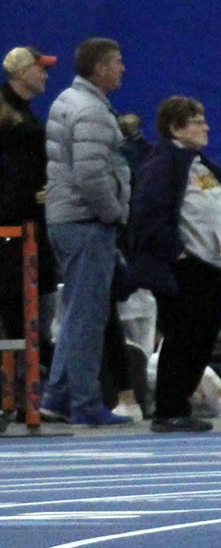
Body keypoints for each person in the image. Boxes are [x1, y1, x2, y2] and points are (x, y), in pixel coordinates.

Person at [126, 96, 221, 433]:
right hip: (188, 266)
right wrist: (176, 253)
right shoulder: (162, 163)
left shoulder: (197, 162)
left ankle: (179, 405)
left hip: (213, 265)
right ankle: (169, 410)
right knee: (183, 337)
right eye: (196, 121)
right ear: (176, 128)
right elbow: (147, 212)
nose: (205, 126)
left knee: (201, 337)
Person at [40, 38, 132, 428]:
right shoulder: (92, 110)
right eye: (116, 62)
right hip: (85, 222)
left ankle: (57, 398)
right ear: (98, 69)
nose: (123, 68)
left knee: (75, 311)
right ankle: (84, 401)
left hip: (65, 219)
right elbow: (91, 174)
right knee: (87, 317)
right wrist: (114, 213)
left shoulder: (66, 99)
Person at [0, 47, 54, 355]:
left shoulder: (24, 112)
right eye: (40, 69)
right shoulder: (12, 118)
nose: (45, 75)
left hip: (29, 222)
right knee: (17, 307)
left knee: (36, 302)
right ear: (21, 72)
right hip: (15, 228)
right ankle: (23, 385)